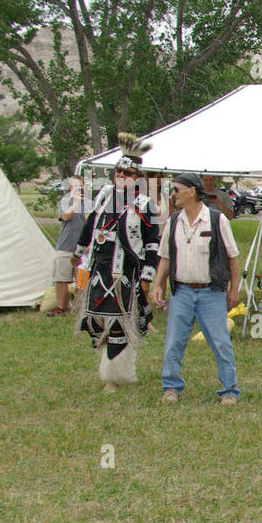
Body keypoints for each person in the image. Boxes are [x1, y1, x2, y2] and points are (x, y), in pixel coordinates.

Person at [73, 135, 160, 392]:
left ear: (137, 177)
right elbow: (91, 224)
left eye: (128, 172)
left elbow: (151, 242)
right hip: (99, 268)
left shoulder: (144, 204)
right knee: (98, 320)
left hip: (125, 272)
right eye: (118, 171)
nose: (121, 175)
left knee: (120, 323)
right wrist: (77, 251)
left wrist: (146, 276)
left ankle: (116, 376)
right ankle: (110, 370)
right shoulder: (103, 196)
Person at [151, 173, 241, 405]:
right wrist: (158, 285)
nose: (174, 194)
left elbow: (232, 258)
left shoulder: (217, 220)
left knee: (220, 342)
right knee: (174, 341)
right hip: (181, 292)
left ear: (192, 191)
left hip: (211, 292)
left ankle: (229, 390)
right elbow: (165, 257)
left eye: (177, 189)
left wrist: (234, 290)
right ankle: (171, 387)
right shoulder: (173, 221)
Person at [48, 175, 89, 317]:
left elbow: (89, 221)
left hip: (82, 249)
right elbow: (65, 217)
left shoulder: (88, 202)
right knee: (61, 279)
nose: (78, 189)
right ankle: (61, 307)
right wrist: (76, 203)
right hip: (65, 245)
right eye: (74, 186)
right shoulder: (65, 201)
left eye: (80, 186)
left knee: (81, 281)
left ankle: (80, 309)